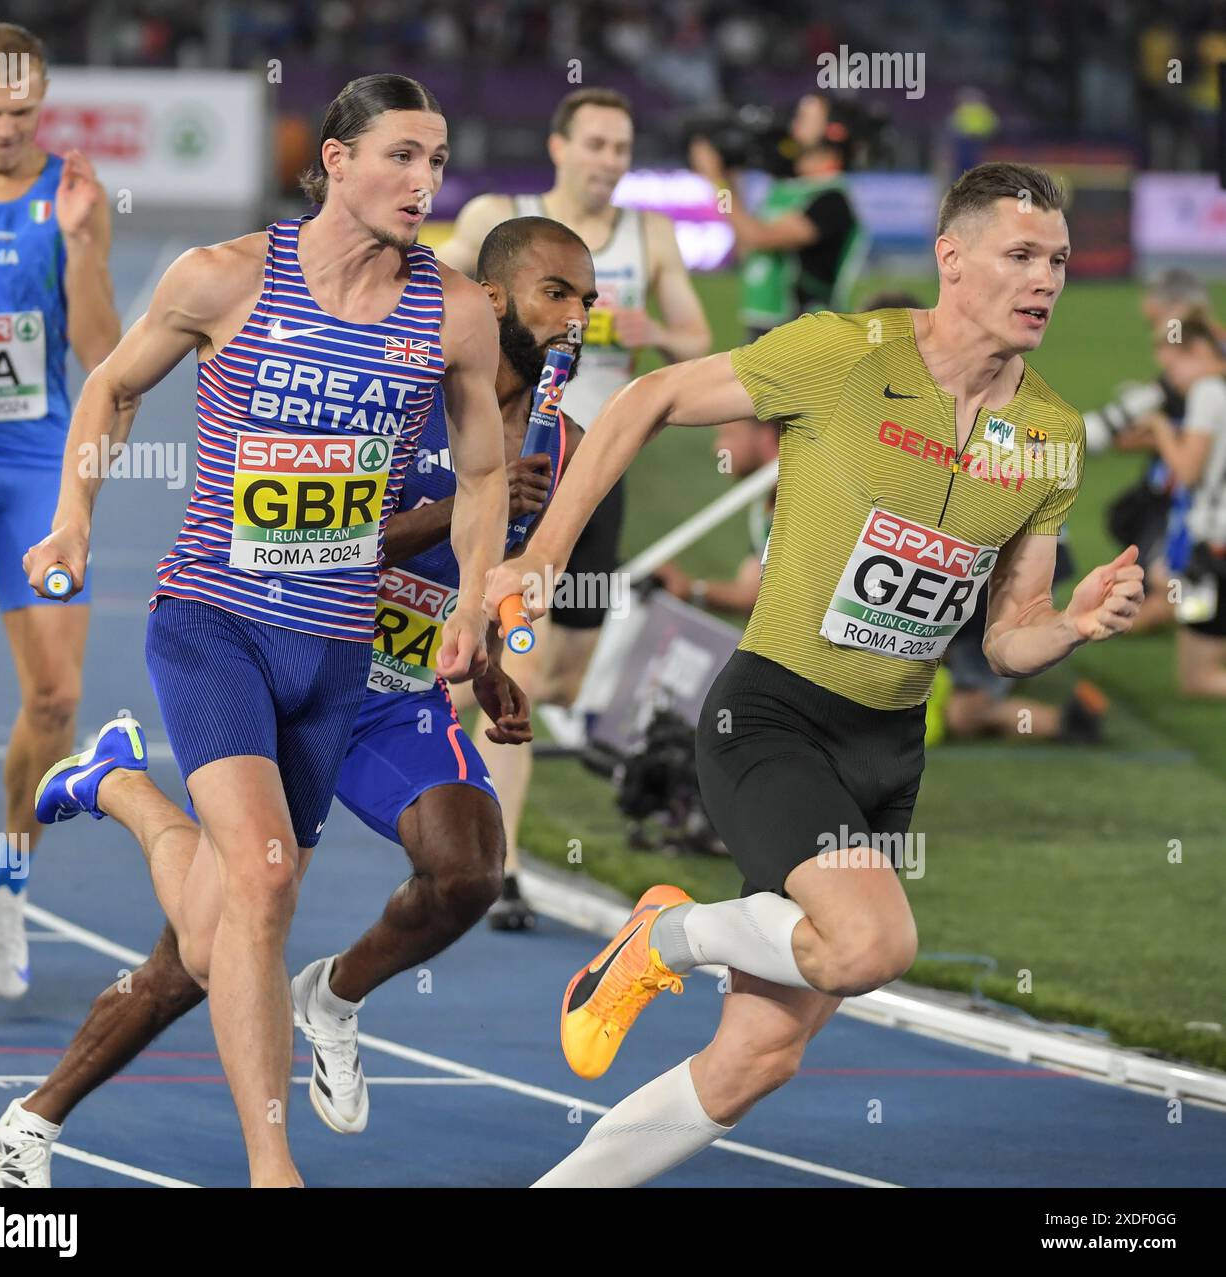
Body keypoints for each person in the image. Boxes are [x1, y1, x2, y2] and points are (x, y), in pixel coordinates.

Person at [485, 162, 1145, 1188]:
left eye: (1056, 260)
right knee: (873, 941)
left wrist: (1073, 624)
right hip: (774, 716)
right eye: (1020, 255)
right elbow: (650, 395)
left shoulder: (1051, 435)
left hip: (886, 750)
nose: (1045, 280)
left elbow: (1009, 632)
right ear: (951, 258)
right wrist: (544, 553)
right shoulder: (843, 354)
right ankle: (667, 935)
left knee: (758, 1056)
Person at [0, 216, 596, 1188]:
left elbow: (502, 588)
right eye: (557, 293)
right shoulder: (404, 390)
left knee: (468, 868)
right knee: (208, 944)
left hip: (393, 694)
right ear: (490, 302)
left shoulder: (562, 443)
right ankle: (43, 1105)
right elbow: (322, 543)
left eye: (588, 300)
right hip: (286, 642)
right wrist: (455, 508)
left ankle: (334, 994)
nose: (577, 317)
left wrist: (489, 656)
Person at [439, 87, 712, 930]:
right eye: (594, 143)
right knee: (516, 661)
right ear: (558, 148)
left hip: (598, 465)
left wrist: (646, 330)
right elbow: (427, 288)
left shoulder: (647, 236)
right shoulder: (501, 215)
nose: (608, 160)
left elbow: (698, 343)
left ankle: (406, 708)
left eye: (622, 147)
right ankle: (506, 868)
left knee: (563, 674)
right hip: (512, 454)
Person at [0, 23, 117, 998]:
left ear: (44, 105)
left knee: (54, 698)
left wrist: (82, 243)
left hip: (34, 456)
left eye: (24, 115)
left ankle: (8, 877)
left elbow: (101, 351)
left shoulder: (69, 193)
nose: (6, 132)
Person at [689, 94, 865, 339]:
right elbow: (744, 240)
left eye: (805, 118)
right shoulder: (784, 190)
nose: (794, 125)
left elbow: (757, 236)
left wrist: (717, 181)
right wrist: (727, 183)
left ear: (833, 130)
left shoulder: (832, 200)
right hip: (764, 325)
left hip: (805, 333)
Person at [1129, 315, 1226, 696]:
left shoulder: (1207, 391)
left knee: (1197, 679)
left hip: (1212, 551)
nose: (1170, 380)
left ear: (1199, 351)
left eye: (1172, 366)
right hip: (1209, 549)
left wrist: (1160, 428)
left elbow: (1186, 471)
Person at [651, 417, 778, 616]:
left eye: (728, 435)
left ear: (766, 435)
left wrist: (692, 589)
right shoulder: (763, 503)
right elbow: (750, 590)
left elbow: (765, 598)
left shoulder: (800, 499)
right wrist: (691, 589)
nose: (718, 448)